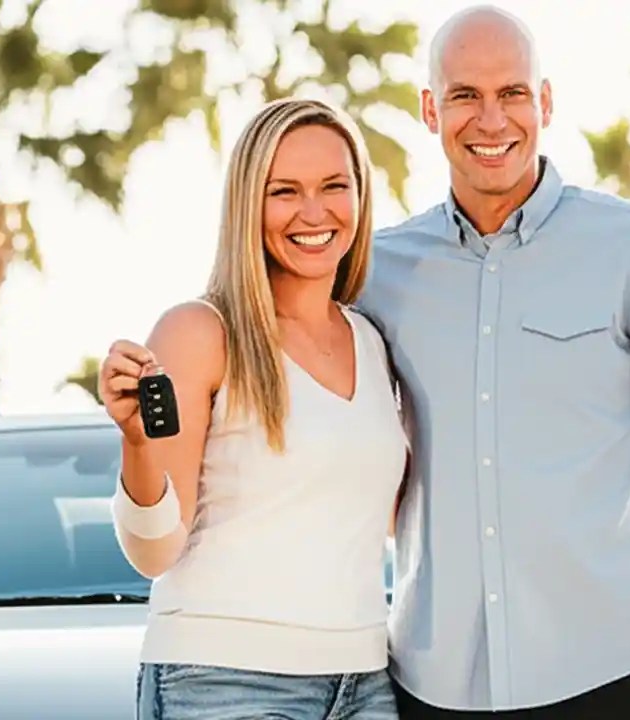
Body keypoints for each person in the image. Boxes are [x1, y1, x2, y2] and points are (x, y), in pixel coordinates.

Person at [353, 6, 630, 720]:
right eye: (463, 96)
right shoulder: (377, 271)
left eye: (512, 93)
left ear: (544, 102)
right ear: (429, 109)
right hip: (434, 687)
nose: (491, 120)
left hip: (624, 673)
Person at [98, 97, 409, 720]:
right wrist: (136, 443)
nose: (314, 212)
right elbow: (153, 553)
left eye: (334, 186)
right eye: (284, 191)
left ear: (360, 196)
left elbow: (393, 523)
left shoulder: (373, 341)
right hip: (224, 679)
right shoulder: (200, 332)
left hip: (365, 679)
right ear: (248, 204)